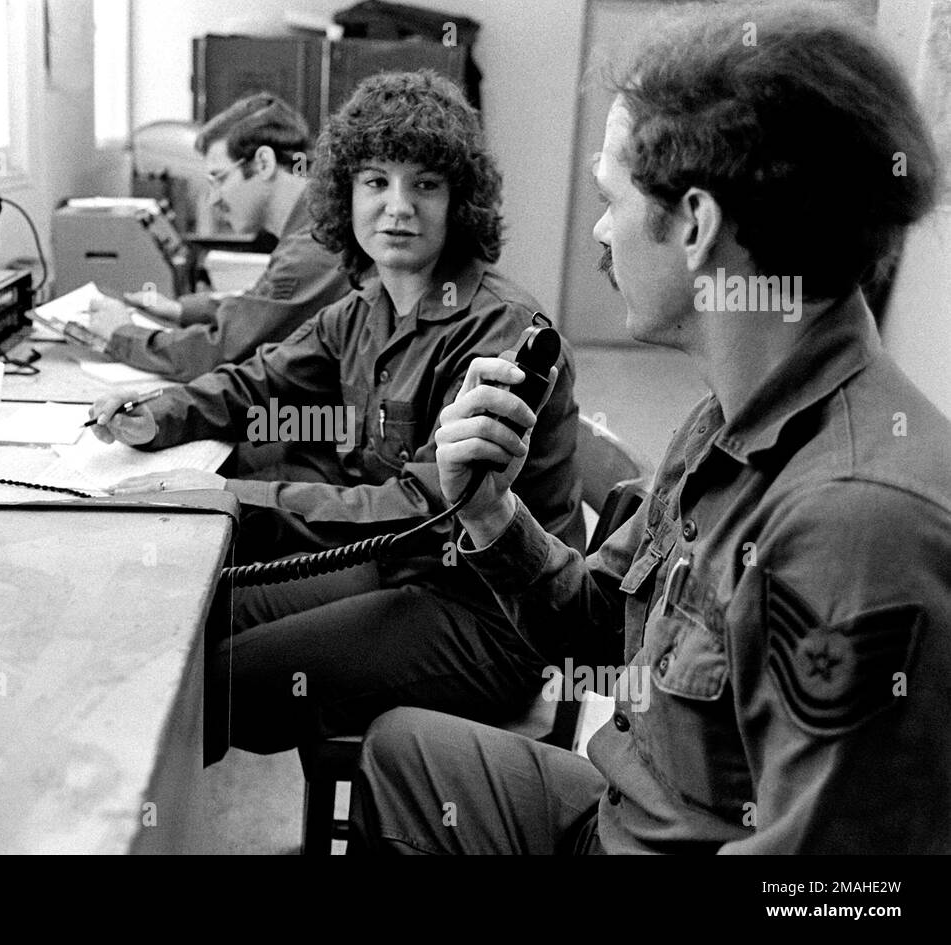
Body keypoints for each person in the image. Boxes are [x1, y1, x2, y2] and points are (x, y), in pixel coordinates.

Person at [349, 2, 951, 854]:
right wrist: (489, 514)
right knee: (405, 753)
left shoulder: (859, 523)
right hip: (627, 807)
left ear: (696, 225)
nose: (602, 229)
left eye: (612, 199)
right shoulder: (729, 416)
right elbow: (607, 630)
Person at [90, 71, 584, 754]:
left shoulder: (499, 327)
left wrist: (227, 495)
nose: (398, 208)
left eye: (425, 185)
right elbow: (260, 379)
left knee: (211, 677)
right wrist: (162, 409)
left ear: (459, 201)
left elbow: (422, 510)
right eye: (376, 182)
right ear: (345, 193)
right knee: (191, 615)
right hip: (401, 570)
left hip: (489, 617)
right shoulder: (366, 305)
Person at [84, 93, 350, 382]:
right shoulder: (310, 229)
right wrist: (181, 310)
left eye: (220, 179)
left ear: (263, 163)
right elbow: (261, 307)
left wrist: (122, 334)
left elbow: (220, 352)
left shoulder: (311, 249)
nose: (213, 199)